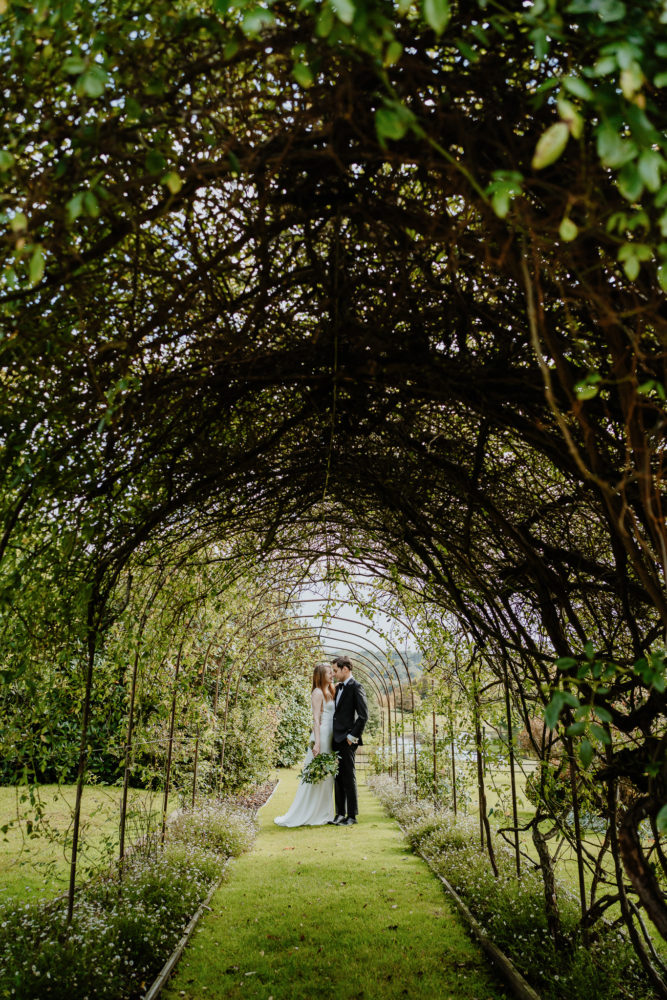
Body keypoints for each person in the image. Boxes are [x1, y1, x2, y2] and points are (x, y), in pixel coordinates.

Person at [274, 663, 336, 827]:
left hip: (331, 736)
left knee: (327, 776)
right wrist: (317, 742)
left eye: (332, 672)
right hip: (322, 735)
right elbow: (316, 719)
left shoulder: (332, 690)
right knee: (316, 774)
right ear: (321, 675)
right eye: (329, 673)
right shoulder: (317, 692)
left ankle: (325, 812)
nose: (332, 675)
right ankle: (309, 813)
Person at [330, 656, 368, 826]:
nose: (334, 674)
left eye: (336, 671)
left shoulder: (356, 687)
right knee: (337, 777)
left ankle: (351, 816)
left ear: (346, 669)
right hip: (335, 739)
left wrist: (351, 738)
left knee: (348, 777)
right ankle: (340, 814)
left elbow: (363, 716)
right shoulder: (338, 688)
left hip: (347, 740)